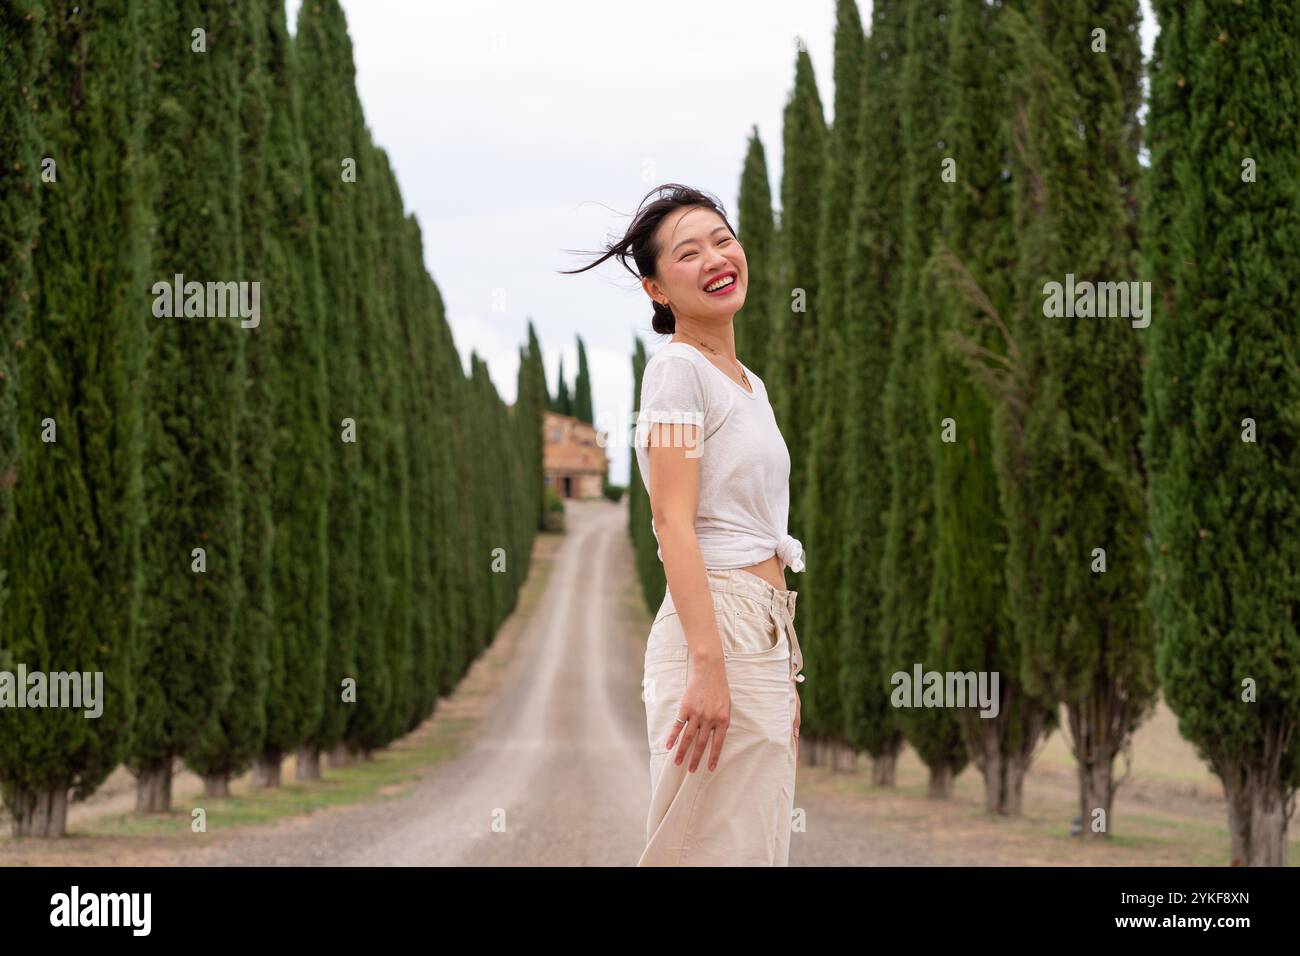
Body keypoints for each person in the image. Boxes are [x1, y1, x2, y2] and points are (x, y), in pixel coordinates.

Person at [562, 183, 805, 865]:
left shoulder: (746, 383)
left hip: (761, 627)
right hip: (717, 626)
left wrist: (778, 662)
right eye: (688, 253)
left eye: (722, 239)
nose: (716, 258)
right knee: (698, 851)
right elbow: (671, 522)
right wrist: (709, 666)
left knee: (748, 852)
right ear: (656, 289)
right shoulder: (677, 371)